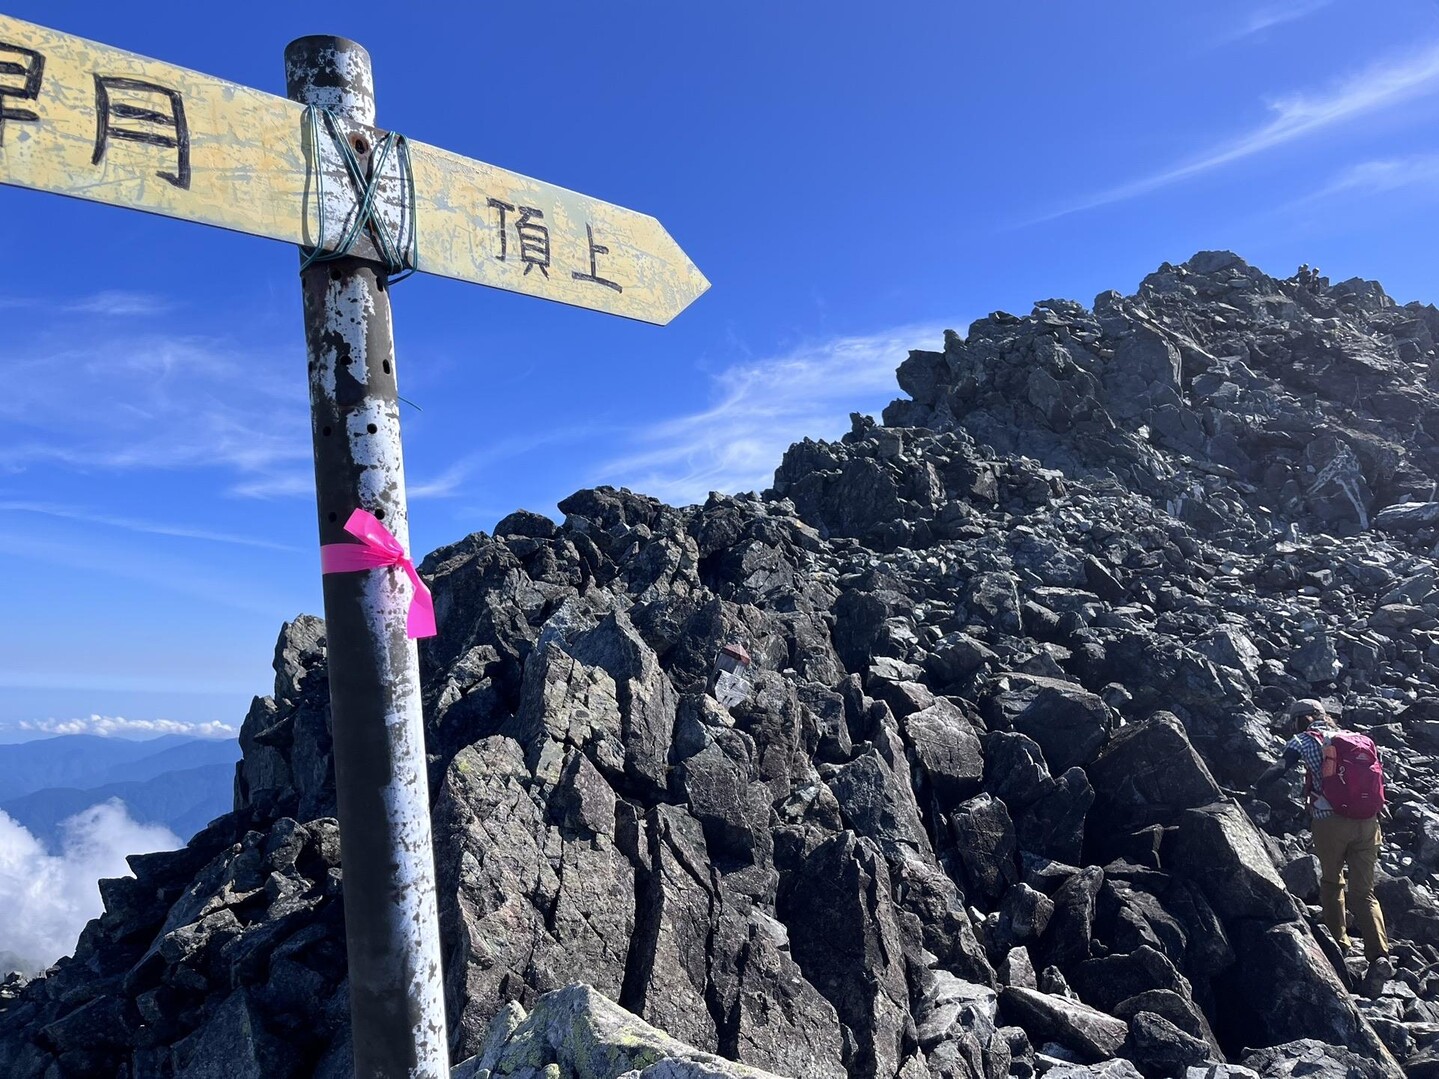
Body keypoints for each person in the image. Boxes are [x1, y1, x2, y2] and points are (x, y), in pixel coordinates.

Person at [1256, 698, 1392, 981]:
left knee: (1332, 882)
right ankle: (1379, 954)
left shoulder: (1304, 740)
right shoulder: (1357, 738)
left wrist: (1256, 788)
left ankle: (1339, 944)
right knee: (1364, 892)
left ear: (1300, 720)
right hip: (1368, 822)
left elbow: (1281, 766)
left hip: (1330, 822)